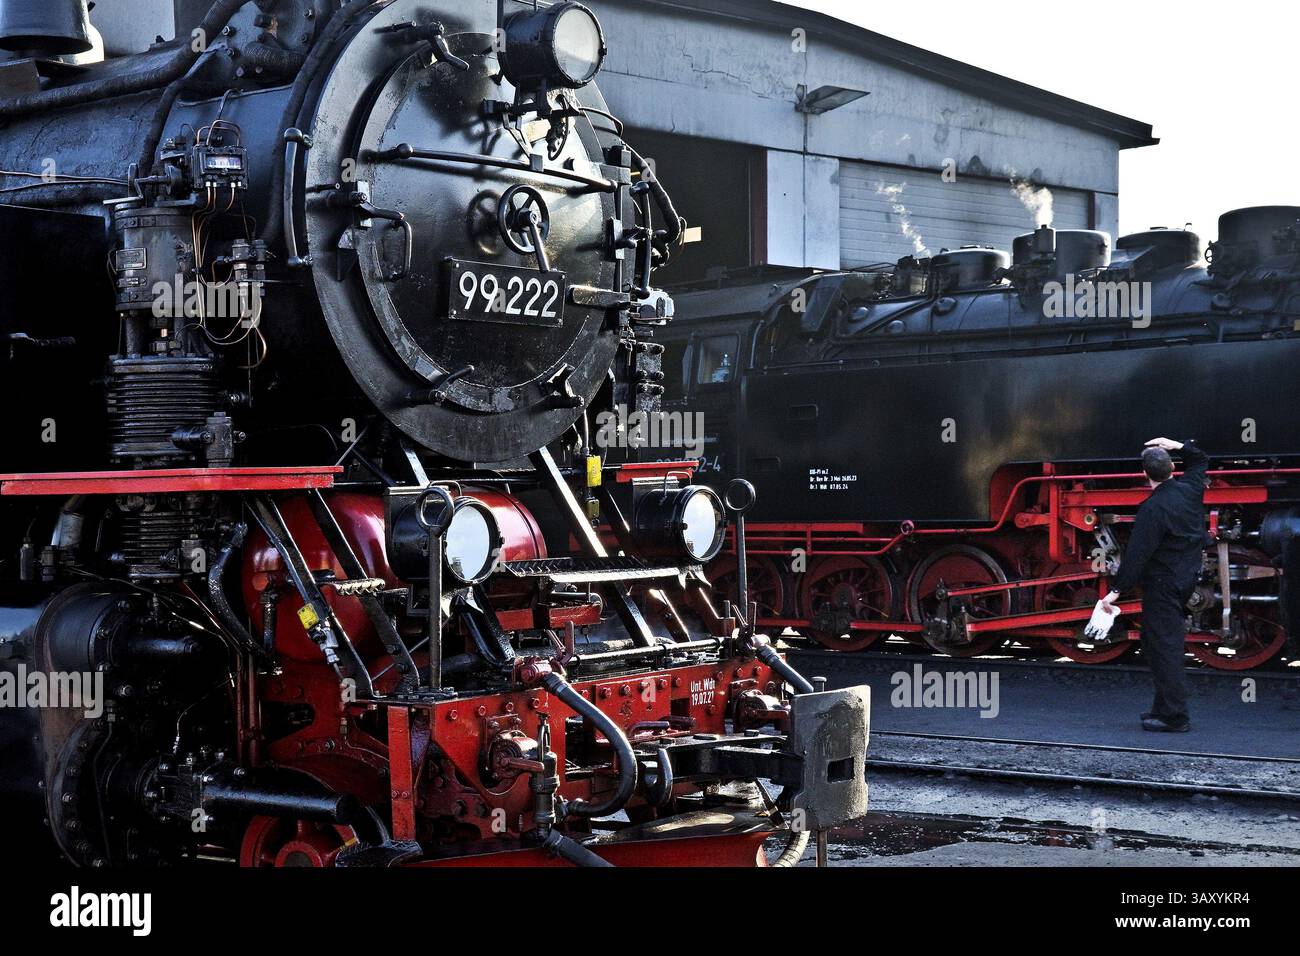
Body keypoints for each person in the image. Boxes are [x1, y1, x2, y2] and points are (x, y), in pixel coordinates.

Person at [1095, 437, 1210, 732]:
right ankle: (1162, 708)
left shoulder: (1152, 509)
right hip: (1185, 578)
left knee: (1165, 648)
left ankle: (1175, 717)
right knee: (1156, 643)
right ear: (1172, 467)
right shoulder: (1190, 489)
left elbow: (1137, 556)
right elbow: (1200, 460)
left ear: (1144, 474)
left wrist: (1115, 593)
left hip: (1163, 584)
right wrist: (1176, 444)